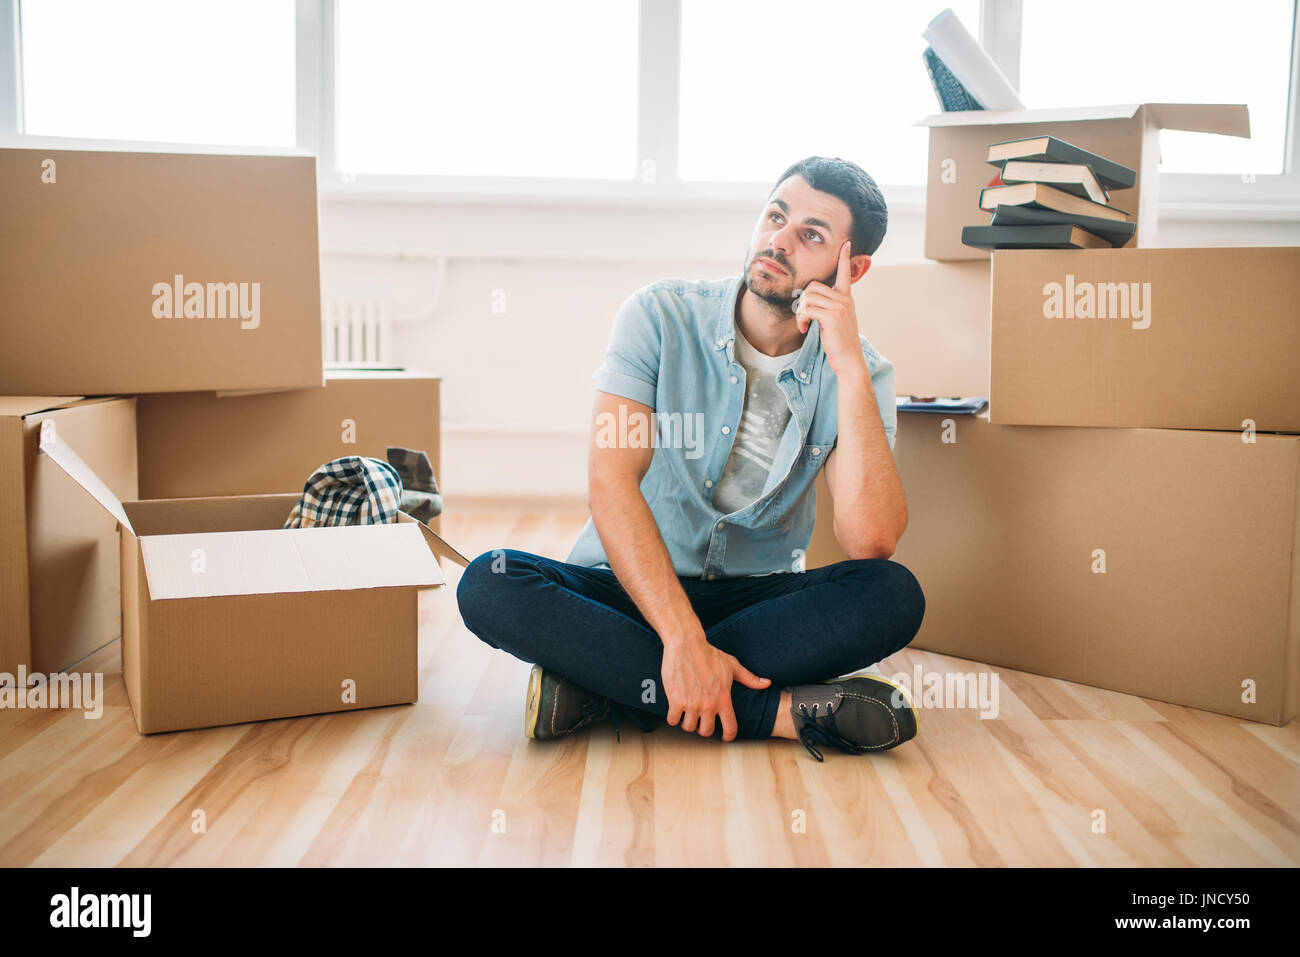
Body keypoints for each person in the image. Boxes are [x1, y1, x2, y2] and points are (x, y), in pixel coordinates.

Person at [456, 156, 925, 762]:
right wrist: (679, 639)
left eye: (810, 235)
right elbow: (611, 484)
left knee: (892, 595)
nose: (778, 241)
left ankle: (608, 686)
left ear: (852, 269)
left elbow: (871, 538)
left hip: (754, 599)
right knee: (490, 581)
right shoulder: (658, 316)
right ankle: (775, 711)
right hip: (627, 588)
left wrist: (851, 372)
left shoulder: (861, 370)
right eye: (775, 216)